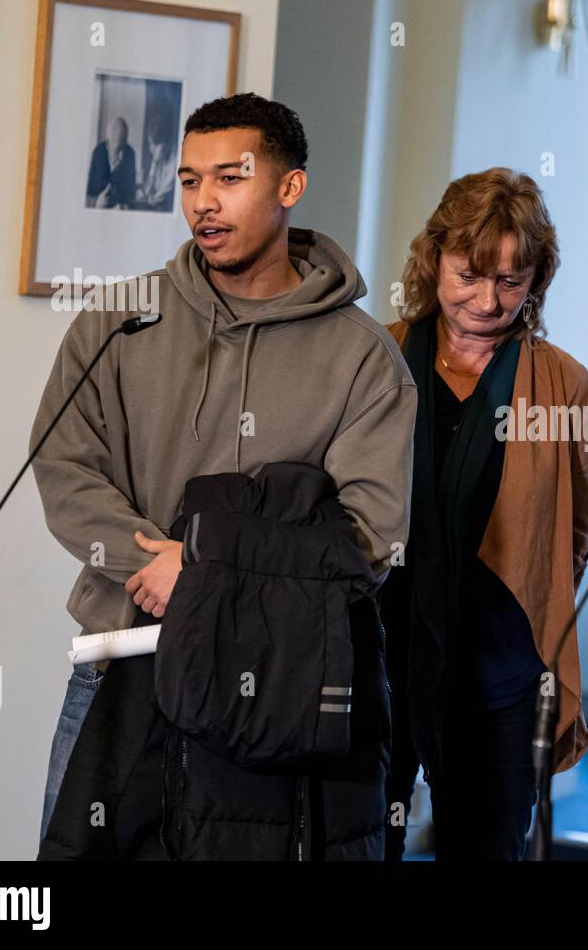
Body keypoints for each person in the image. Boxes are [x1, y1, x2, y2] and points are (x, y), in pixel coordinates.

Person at [31, 92, 415, 855]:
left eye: (229, 178)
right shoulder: (118, 322)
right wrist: (157, 565)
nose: (203, 203)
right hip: (122, 660)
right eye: (187, 180)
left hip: (277, 682)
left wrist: (202, 573)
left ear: (289, 187)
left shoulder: (363, 357)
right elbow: (65, 468)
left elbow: (370, 541)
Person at [379, 167, 588, 860]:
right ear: (434, 258)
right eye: (470, 273)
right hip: (380, 655)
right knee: (357, 844)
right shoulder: (376, 357)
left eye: (512, 279)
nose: (487, 299)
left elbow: (575, 533)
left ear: (537, 279)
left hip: (500, 670)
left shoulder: (563, 381)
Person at [85, 115, 137, 209]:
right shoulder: (99, 153)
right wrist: (97, 201)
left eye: (123, 147)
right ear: (108, 144)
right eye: (118, 148)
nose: (121, 153)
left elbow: (130, 193)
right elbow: (90, 192)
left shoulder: (130, 154)